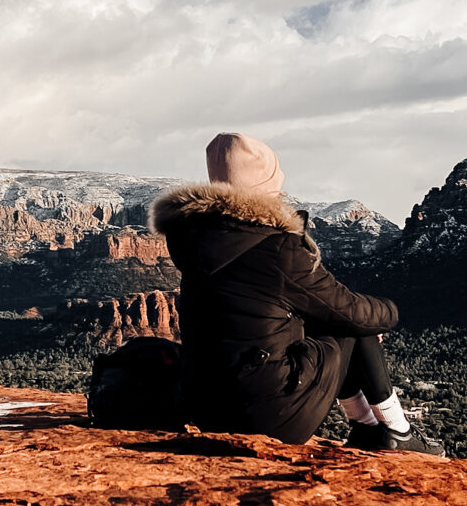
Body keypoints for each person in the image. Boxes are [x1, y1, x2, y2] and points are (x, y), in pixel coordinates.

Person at [150, 131, 430, 451]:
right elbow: (348, 310)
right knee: (352, 324)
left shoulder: (194, 241)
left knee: (337, 321)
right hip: (267, 416)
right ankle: (396, 430)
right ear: (266, 185)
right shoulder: (277, 246)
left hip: (206, 408)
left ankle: (370, 429)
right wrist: (392, 311)